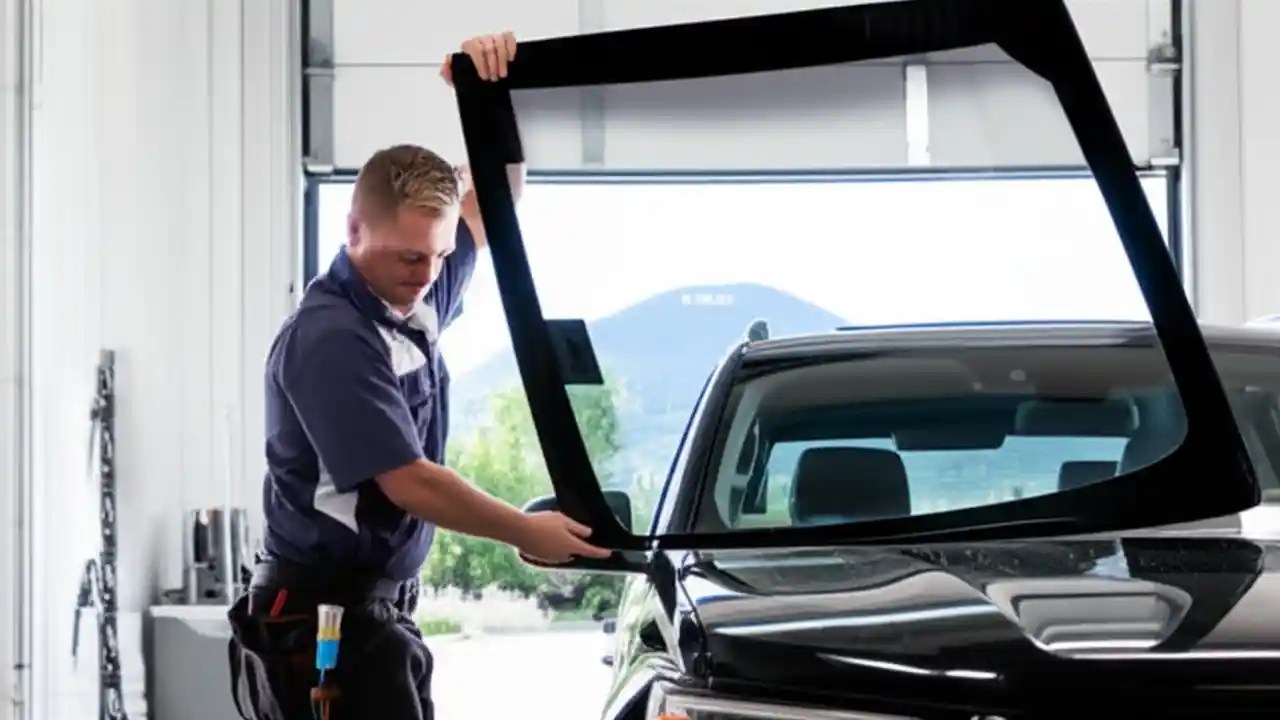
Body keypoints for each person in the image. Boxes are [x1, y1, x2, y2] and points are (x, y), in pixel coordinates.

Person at [226, 31, 610, 720]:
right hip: (317, 616)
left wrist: (485, 92)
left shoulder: (413, 294)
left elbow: (496, 200)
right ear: (354, 232)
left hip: (376, 612)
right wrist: (526, 533)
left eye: (435, 256)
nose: (427, 274)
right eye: (409, 257)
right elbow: (411, 482)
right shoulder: (330, 339)